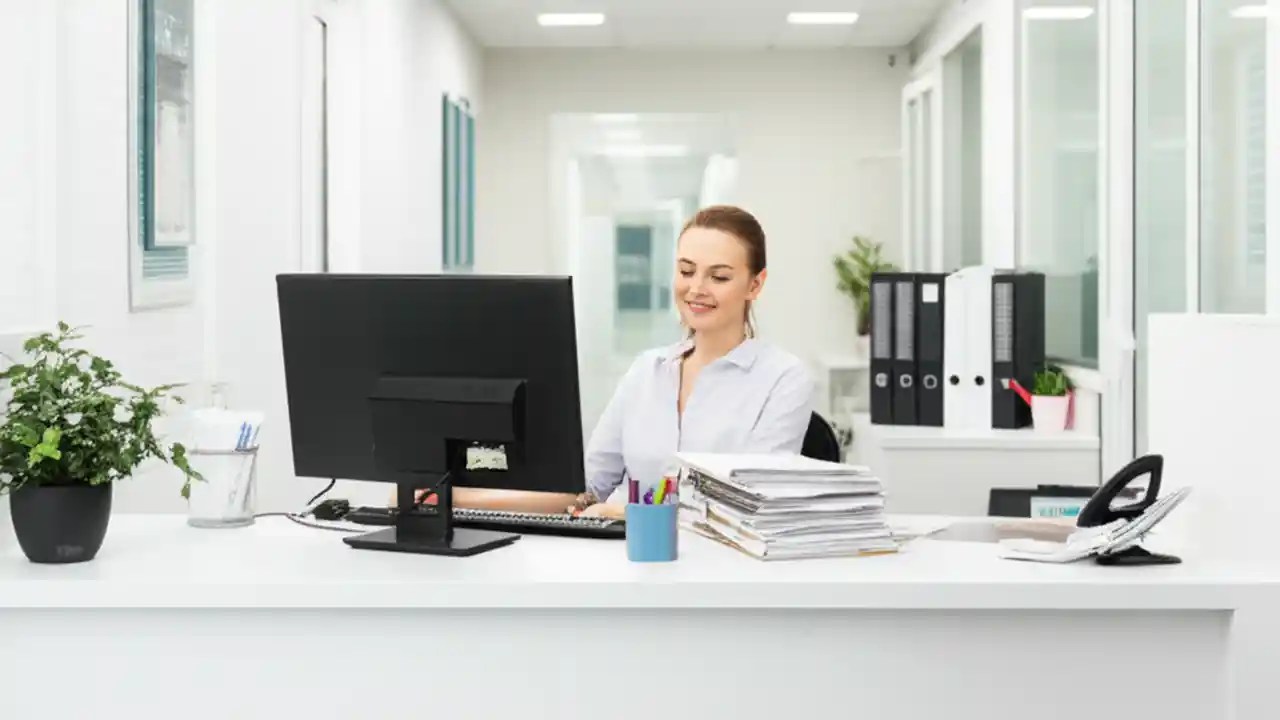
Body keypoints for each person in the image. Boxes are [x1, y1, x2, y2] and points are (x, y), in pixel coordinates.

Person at [410, 205, 814, 517]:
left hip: (717, 576)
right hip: (621, 560)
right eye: (686, 270)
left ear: (755, 284)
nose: (696, 288)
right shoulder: (647, 369)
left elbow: (753, 504)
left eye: (719, 277)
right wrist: (451, 496)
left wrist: (633, 512)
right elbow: (587, 487)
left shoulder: (783, 378)